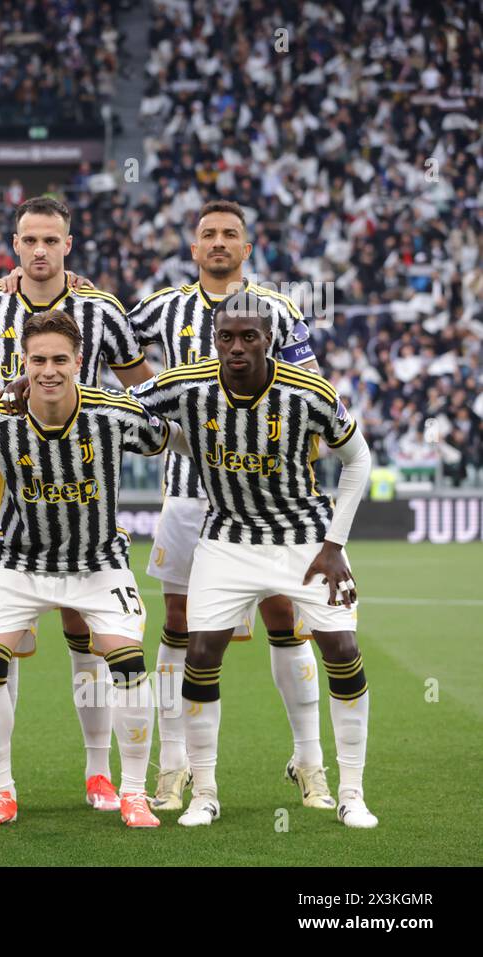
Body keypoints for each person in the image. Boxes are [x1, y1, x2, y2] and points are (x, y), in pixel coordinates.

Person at [0, 196, 156, 814]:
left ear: (68, 245)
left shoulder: (102, 309)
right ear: (14, 245)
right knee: (3, 643)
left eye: (52, 240)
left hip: (87, 508)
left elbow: (143, 390)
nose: (41, 251)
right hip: (6, 505)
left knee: (88, 637)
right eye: (30, 240)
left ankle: (100, 773)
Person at [128, 290, 376, 830]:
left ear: (271, 340)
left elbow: (359, 458)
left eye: (249, 337)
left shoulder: (308, 393)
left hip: (303, 539)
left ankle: (351, 792)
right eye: (226, 337)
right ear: (214, 339)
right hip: (226, 539)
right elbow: (119, 405)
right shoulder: (186, 385)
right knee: (201, 651)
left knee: (342, 646)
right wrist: (40, 386)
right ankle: (204, 791)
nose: (236, 347)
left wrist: (334, 544)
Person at [126, 199, 332, 813]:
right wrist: (57, 284)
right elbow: (96, 331)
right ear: (194, 249)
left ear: (247, 247)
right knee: (181, 627)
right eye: (208, 234)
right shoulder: (163, 306)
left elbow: (312, 398)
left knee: (283, 621)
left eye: (230, 235)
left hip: (267, 503)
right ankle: (174, 767)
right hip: (189, 495)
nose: (218, 243)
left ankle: (309, 761)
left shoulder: (279, 310)